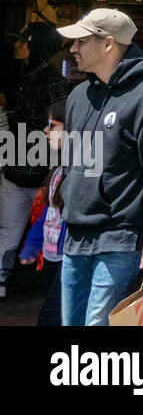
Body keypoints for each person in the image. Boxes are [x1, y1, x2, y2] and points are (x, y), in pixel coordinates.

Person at [57, 9, 143, 326]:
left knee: (98, 324)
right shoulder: (78, 95)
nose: (73, 49)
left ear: (108, 43)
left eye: (81, 41)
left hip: (121, 238)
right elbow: (72, 163)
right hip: (75, 236)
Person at [0, 23, 69, 299]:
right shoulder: (25, 76)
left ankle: (56, 286)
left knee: (50, 227)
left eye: (23, 40)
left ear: (36, 45)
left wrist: (57, 168)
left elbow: (63, 125)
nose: (17, 45)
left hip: (41, 172)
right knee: (9, 229)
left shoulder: (52, 82)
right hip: (19, 170)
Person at [18, 99, 67, 325]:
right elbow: (49, 213)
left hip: (69, 260)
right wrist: (32, 245)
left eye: (53, 125)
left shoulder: (79, 171)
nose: (46, 130)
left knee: (51, 318)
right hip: (50, 256)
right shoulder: (58, 168)